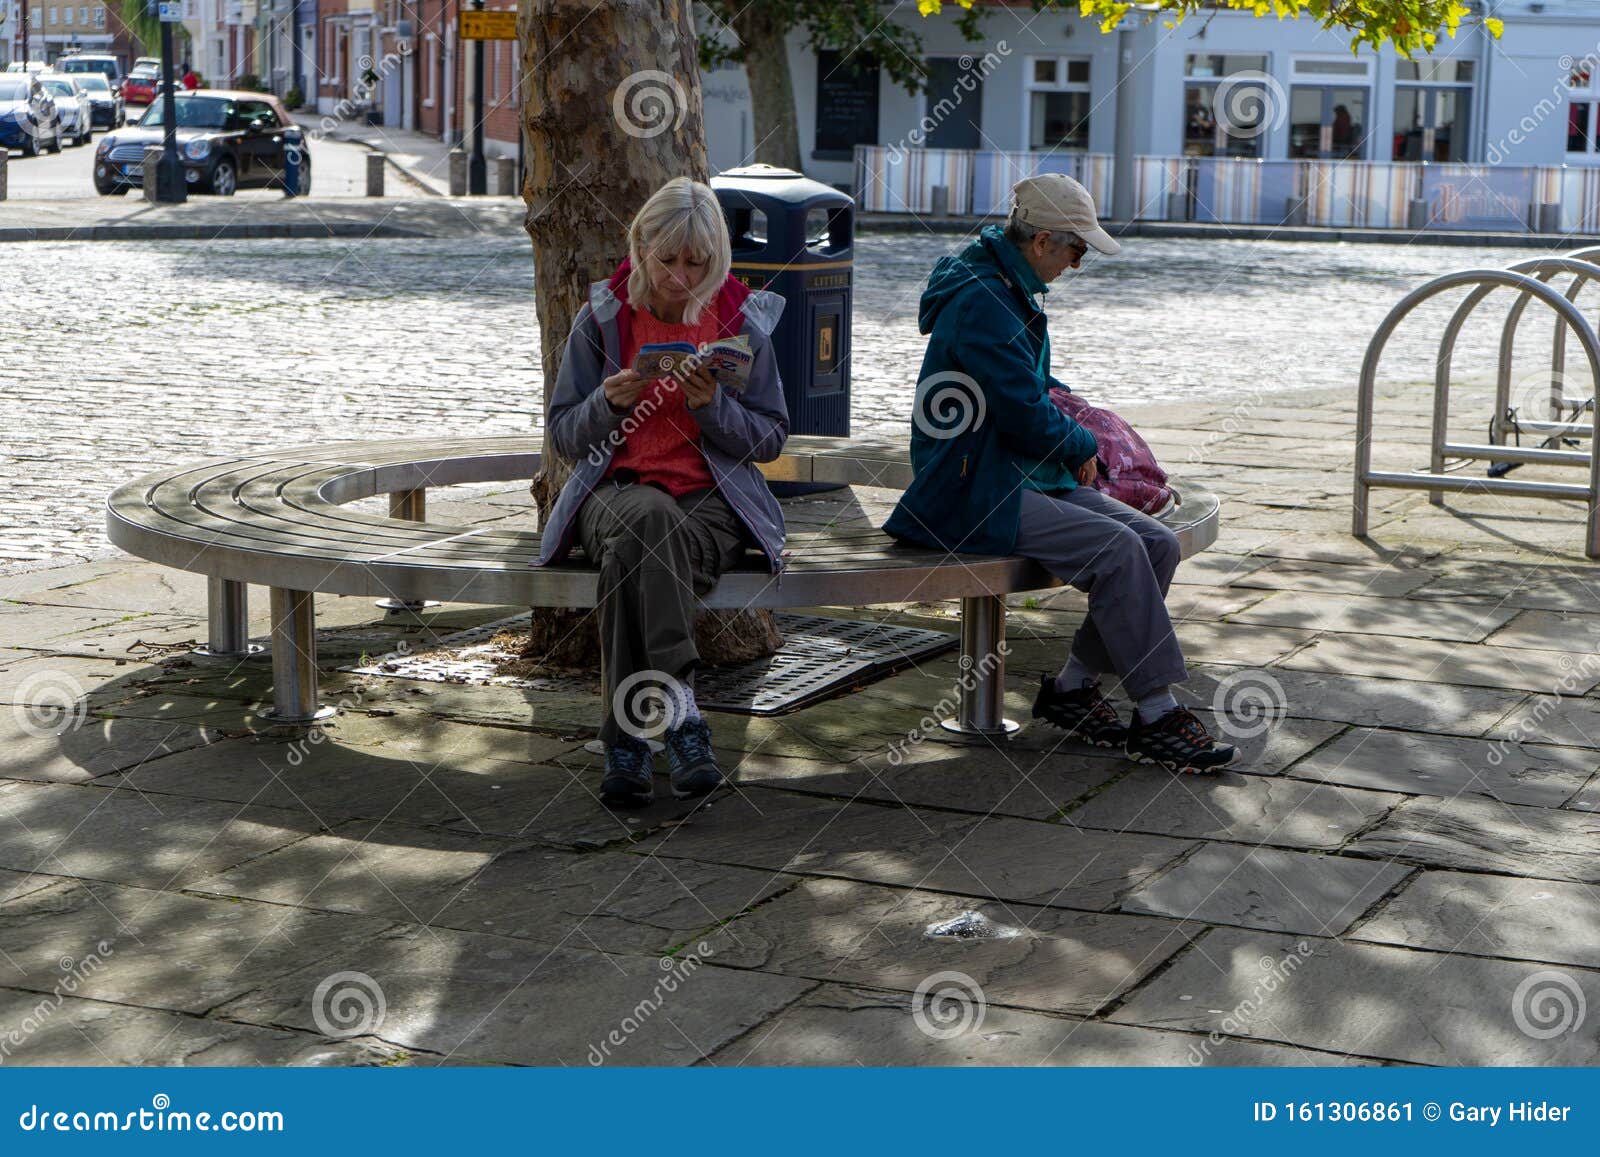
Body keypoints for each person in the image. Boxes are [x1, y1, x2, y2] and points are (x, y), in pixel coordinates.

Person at [883, 174, 1236, 773]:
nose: (1077, 265)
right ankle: (1155, 714)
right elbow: (1020, 409)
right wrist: (1080, 439)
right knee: (1122, 551)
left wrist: (1071, 417)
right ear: (1043, 240)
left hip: (1011, 473)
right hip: (972, 489)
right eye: (1077, 251)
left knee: (1155, 542)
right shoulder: (985, 302)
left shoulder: (1002, 287)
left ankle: (1073, 687)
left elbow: (1028, 390)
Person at [534, 177, 790, 806]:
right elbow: (565, 435)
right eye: (668, 258)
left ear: (717, 259)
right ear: (641, 245)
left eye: (697, 262)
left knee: (642, 550)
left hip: (711, 504)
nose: (681, 275)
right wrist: (605, 402)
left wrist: (714, 411)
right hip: (615, 492)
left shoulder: (741, 321)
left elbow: (771, 438)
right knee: (646, 519)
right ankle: (681, 716)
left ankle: (627, 741)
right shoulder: (604, 319)